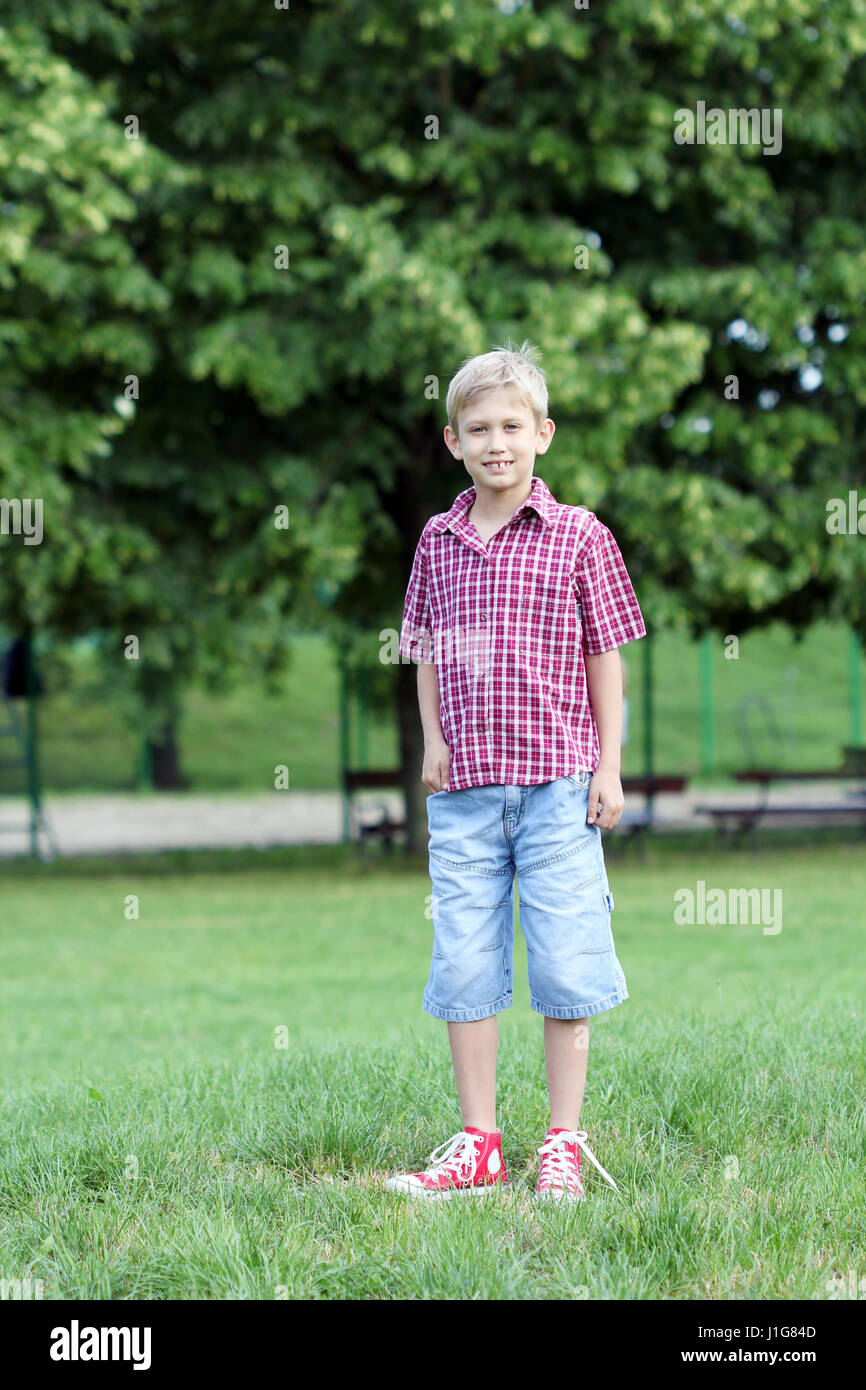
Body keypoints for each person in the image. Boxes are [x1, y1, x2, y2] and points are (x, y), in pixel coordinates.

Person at [387, 340, 646, 1203]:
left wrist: (610, 768)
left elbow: (605, 656)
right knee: (463, 964)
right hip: (464, 795)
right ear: (453, 440)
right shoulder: (437, 540)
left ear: (544, 433)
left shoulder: (579, 535)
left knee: (567, 963)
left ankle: (564, 1143)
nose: (496, 441)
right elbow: (421, 649)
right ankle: (479, 1142)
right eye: (477, 428)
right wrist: (431, 740)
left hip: (559, 790)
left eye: (512, 425)